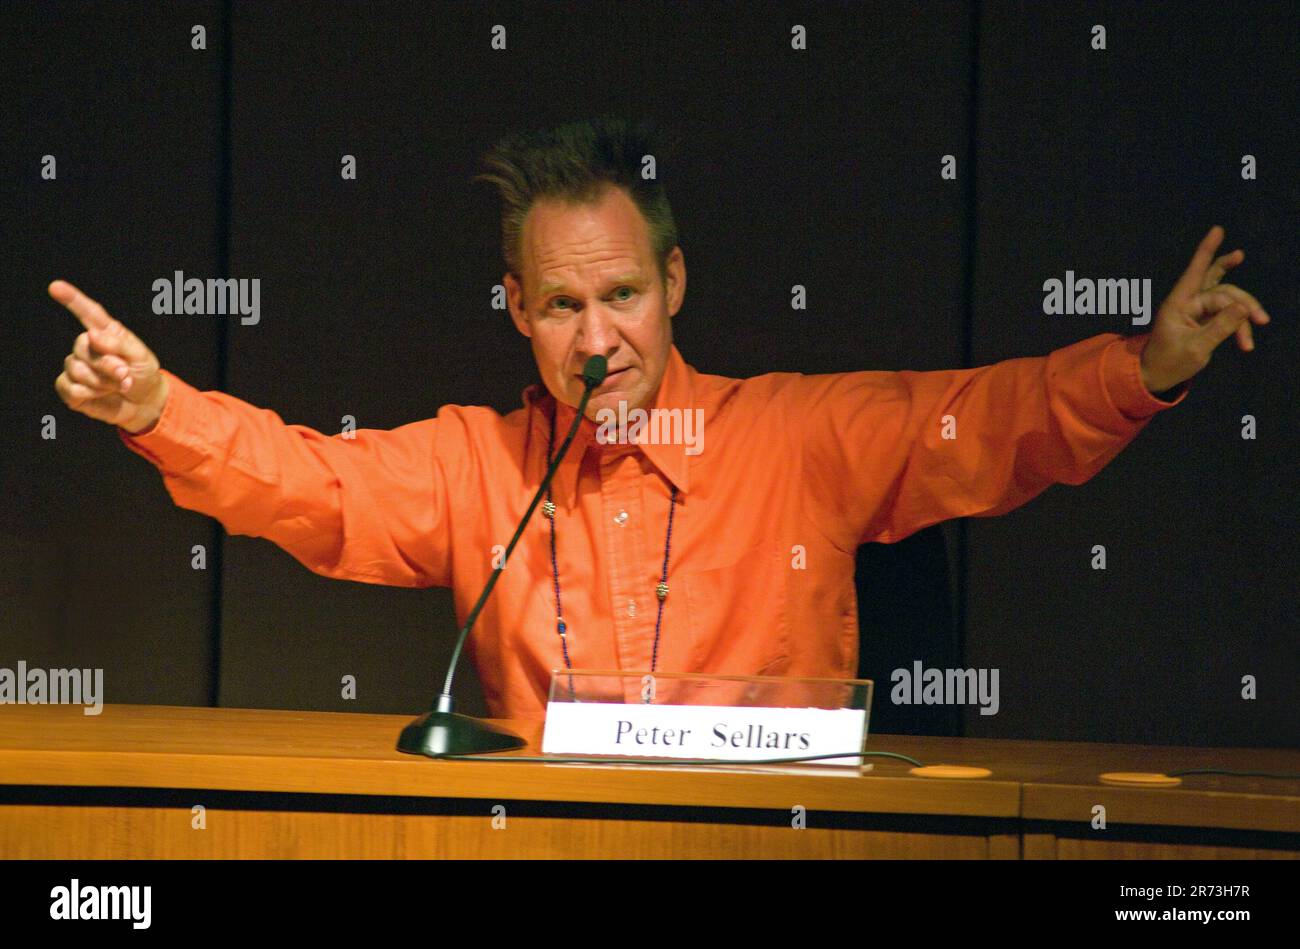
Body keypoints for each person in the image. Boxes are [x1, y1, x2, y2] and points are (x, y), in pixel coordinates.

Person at [50, 116, 1271, 720]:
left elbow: (987, 422)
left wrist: (1148, 363)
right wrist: (160, 406)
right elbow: (306, 481)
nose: (597, 338)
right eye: (564, 304)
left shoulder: (798, 437)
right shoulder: (479, 465)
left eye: (623, 295)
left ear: (673, 287)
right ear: (518, 310)